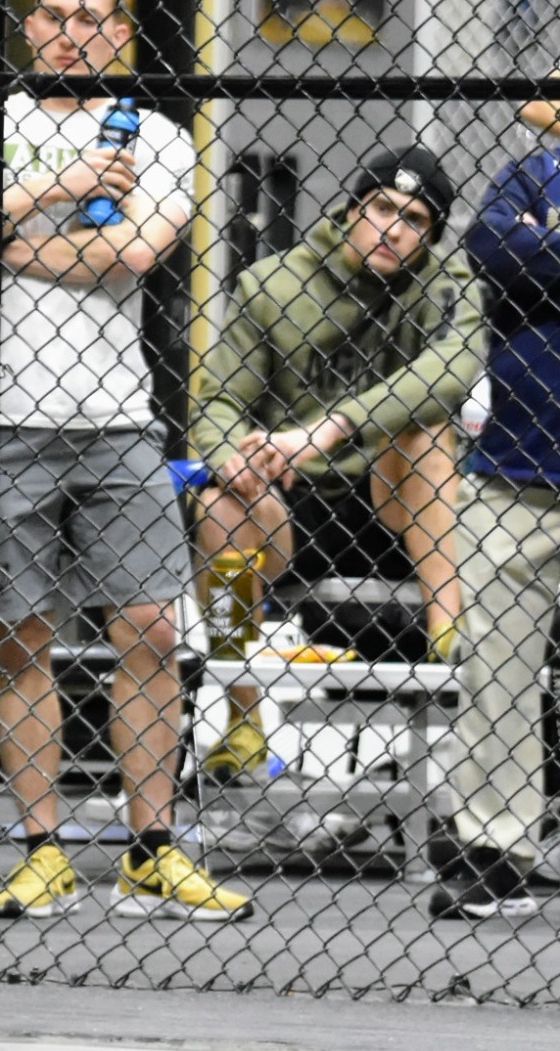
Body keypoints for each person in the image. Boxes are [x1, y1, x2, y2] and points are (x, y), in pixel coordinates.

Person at [0, 0, 249, 922]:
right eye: (54, 13)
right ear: (24, 26)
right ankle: (42, 847)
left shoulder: (161, 136)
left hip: (117, 417)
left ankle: (152, 846)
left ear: (123, 30)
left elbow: (133, 252)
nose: (72, 31)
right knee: (20, 638)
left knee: (153, 630)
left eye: (94, 16)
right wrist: (50, 190)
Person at [190, 146, 480, 778]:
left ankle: (448, 641)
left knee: (428, 430)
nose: (394, 228)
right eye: (381, 208)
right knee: (217, 502)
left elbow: (454, 370)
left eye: (414, 220)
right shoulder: (271, 284)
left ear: (429, 239)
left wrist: (335, 427)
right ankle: (244, 720)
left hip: (396, 503)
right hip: (289, 503)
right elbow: (216, 405)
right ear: (351, 210)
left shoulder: (446, 283)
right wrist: (235, 456)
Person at [436, 142, 560, 919]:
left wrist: (541, 244)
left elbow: (525, 257)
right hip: (520, 454)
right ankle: (498, 848)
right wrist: (522, 245)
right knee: (498, 667)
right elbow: (490, 247)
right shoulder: (536, 167)